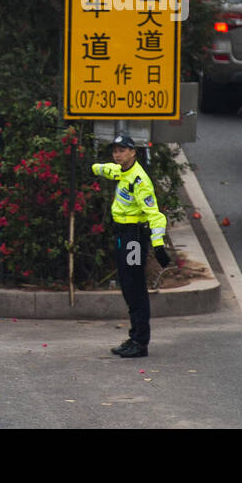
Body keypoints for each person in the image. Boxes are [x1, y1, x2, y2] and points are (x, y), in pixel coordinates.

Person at [91, 134, 169, 359]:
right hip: (122, 235)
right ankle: (134, 336)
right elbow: (106, 169)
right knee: (127, 284)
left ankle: (140, 341)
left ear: (133, 152)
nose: (117, 154)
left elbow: (155, 216)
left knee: (134, 286)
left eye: (122, 150)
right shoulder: (121, 171)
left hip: (134, 239)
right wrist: (92, 167)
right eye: (115, 150)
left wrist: (159, 246)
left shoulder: (139, 180)